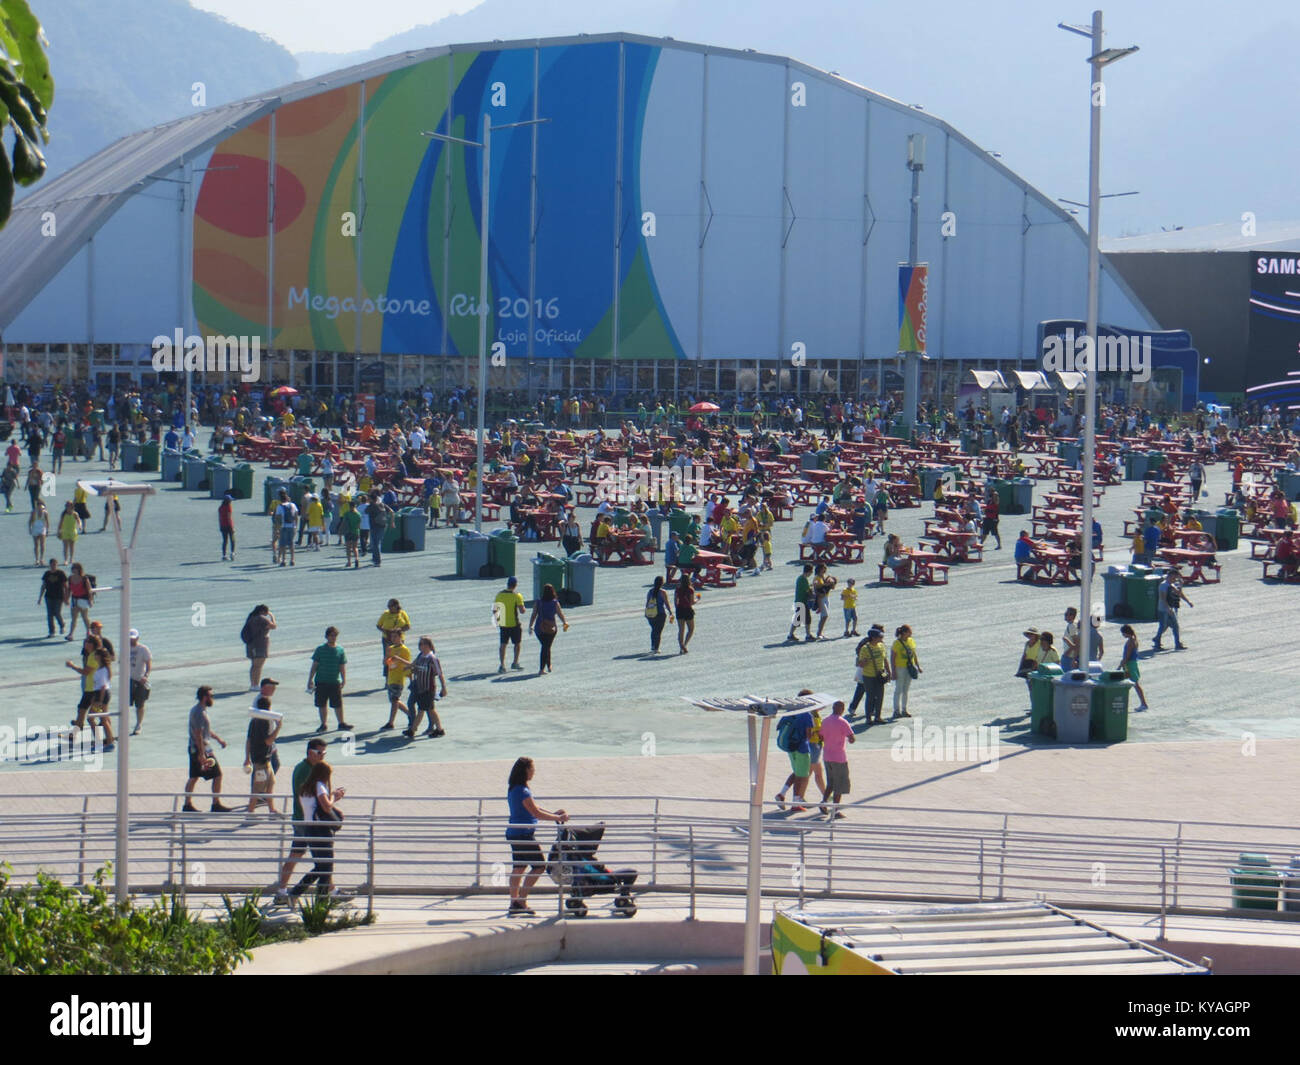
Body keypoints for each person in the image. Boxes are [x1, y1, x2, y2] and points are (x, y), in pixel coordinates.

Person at [506, 757, 567, 917]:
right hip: (523, 834)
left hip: (515, 832)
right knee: (539, 866)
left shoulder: (516, 788)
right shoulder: (522, 790)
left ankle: (514, 902)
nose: (534, 772)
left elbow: (535, 807)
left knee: (519, 868)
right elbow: (536, 813)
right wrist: (558, 819)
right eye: (532, 768)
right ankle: (521, 901)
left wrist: (553, 814)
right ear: (526, 770)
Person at [275, 738, 328, 901]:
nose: (322, 756)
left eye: (324, 753)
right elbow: (312, 798)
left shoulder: (304, 767)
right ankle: (286, 891)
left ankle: (282, 890)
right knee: (323, 859)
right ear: (310, 752)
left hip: (302, 820)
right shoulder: (306, 771)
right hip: (306, 821)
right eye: (319, 753)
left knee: (299, 855)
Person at [287, 757, 346, 900]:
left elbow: (313, 807)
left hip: (309, 829)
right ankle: (318, 899)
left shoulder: (305, 788)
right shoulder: (319, 786)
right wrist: (334, 796)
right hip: (320, 830)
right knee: (326, 867)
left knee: (321, 866)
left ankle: (297, 894)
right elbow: (326, 806)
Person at [183, 685, 231, 812]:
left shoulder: (198, 710)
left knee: (194, 776)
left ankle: (187, 804)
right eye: (211, 696)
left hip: (195, 748)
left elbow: (206, 731)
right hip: (202, 749)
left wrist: (218, 739)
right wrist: (202, 753)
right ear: (205, 697)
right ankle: (215, 803)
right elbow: (198, 733)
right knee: (218, 774)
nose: (213, 698)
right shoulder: (199, 712)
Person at [307, 625, 352, 732]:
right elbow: (314, 665)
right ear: (326, 637)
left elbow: (342, 666)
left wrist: (344, 679)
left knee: (338, 703)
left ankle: (341, 723)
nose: (333, 638)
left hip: (334, 681)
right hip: (321, 681)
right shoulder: (320, 649)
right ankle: (323, 724)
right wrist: (310, 680)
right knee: (322, 704)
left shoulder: (340, 650)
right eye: (331, 635)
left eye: (335, 636)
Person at [244, 692, 282, 816]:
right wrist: (278, 727)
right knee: (257, 787)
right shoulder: (265, 722)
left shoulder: (254, 720)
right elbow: (268, 741)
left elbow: (248, 740)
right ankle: (250, 812)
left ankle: (272, 810)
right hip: (262, 760)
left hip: (261, 759)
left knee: (271, 783)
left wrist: (247, 758)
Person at [774, 699, 815, 812]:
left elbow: (778, 726)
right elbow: (808, 734)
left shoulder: (790, 711)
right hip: (802, 748)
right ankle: (795, 803)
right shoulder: (807, 714)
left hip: (790, 747)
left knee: (797, 772)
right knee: (801, 776)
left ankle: (782, 794)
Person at [404, 636, 447, 738]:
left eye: (423, 644)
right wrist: (402, 664)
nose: (421, 646)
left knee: (422, 710)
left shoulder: (432, 659)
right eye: (420, 644)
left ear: (428, 645)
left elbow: (440, 674)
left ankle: (412, 730)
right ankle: (440, 729)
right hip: (420, 688)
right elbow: (413, 665)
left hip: (428, 688)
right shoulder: (420, 656)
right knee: (431, 710)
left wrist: (444, 687)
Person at [847, 625, 891, 724]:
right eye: (880, 637)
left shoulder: (882, 646)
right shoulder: (865, 648)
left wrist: (889, 671)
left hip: (880, 675)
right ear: (873, 638)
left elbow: (885, 659)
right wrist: (865, 661)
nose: (882, 638)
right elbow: (860, 664)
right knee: (870, 697)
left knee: (880, 696)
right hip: (868, 676)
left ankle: (878, 716)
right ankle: (868, 718)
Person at [819, 700, 855, 819]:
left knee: (831, 782)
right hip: (839, 757)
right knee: (839, 785)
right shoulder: (843, 722)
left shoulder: (825, 721)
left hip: (827, 756)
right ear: (842, 709)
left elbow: (821, 736)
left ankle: (824, 802)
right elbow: (851, 738)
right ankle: (835, 810)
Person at [527, 583, 569, 674]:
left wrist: (530, 625)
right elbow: (560, 614)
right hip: (551, 628)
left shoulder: (538, 602)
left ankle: (548, 665)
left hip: (539, 628)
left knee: (546, 646)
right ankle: (543, 668)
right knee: (546, 646)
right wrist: (564, 622)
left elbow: (534, 614)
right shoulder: (555, 602)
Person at [381, 629, 412, 730]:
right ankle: (410, 714)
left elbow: (409, 664)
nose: (393, 639)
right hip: (391, 677)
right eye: (392, 637)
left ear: (400, 637)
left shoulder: (404, 650)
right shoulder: (390, 648)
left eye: (395, 636)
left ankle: (391, 722)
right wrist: (387, 656)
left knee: (394, 700)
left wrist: (410, 678)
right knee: (394, 701)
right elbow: (385, 663)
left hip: (398, 678)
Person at [1152, 571, 1192, 651]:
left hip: (1170, 609)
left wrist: (1181, 586)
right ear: (1169, 576)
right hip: (1163, 610)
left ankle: (1177, 644)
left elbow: (1179, 594)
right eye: (1174, 578)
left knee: (1175, 626)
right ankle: (1157, 643)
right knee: (1163, 626)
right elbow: (1163, 598)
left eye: (1176, 578)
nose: (1175, 580)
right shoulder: (1163, 585)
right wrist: (1167, 608)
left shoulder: (1171, 585)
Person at [494, 576, 526, 673]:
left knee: (503, 644)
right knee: (517, 643)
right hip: (514, 624)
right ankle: (515, 662)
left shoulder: (499, 595)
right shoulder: (517, 595)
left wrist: (498, 621)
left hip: (503, 624)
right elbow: (522, 611)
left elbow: (495, 610)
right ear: (515, 585)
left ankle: (502, 665)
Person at [240, 604, 276, 689]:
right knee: (258, 665)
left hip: (251, 644)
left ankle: (253, 684)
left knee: (254, 665)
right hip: (260, 645)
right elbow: (273, 626)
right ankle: (255, 684)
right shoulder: (261, 618)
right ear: (263, 611)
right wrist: (272, 616)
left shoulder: (251, 618)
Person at [376, 598, 412, 680]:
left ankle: (400, 675)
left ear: (396, 606)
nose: (389, 608)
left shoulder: (402, 614)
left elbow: (408, 626)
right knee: (388, 657)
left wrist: (399, 630)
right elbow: (378, 625)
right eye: (388, 606)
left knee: (399, 657)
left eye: (391, 606)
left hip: (399, 639)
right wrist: (386, 631)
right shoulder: (386, 614)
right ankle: (387, 677)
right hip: (387, 639)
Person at [890, 624, 921, 720]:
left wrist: (918, 666)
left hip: (909, 667)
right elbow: (892, 658)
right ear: (904, 632)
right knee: (898, 689)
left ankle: (904, 710)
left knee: (905, 690)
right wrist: (893, 671)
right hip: (900, 668)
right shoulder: (897, 643)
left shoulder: (911, 641)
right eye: (909, 631)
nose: (911, 633)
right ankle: (896, 711)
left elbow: (914, 654)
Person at [127, 628, 152, 736]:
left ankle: (138, 724)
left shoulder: (143, 649)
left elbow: (148, 663)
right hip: (129, 680)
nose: (131, 640)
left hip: (139, 679)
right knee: (125, 703)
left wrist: (146, 675)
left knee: (140, 704)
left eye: (133, 638)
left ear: (137, 638)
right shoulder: (125, 649)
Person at [1120, 624, 1150, 711]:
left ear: (1126, 632)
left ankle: (1143, 704)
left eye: (1123, 633)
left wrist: (1120, 665)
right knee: (1128, 685)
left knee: (1134, 684)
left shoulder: (1130, 642)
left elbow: (1127, 656)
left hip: (1129, 665)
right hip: (1132, 664)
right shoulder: (1134, 640)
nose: (1123, 635)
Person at [64, 562, 93, 642]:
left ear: (79, 569)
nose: (73, 570)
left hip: (83, 599)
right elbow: (69, 589)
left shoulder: (84, 578)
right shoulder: (70, 578)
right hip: (75, 599)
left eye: (75, 568)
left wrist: (90, 600)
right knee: (74, 618)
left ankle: (88, 632)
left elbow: (89, 590)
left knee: (85, 617)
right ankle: (71, 634)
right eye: (72, 568)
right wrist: (67, 599)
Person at [38, 558, 67, 637]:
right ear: (50, 565)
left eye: (55, 564)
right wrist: (40, 597)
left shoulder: (61, 573)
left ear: (57, 565)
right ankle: (51, 631)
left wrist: (66, 597)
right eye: (52, 564)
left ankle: (62, 625)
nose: (53, 566)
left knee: (57, 612)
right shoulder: (47, 574)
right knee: (50, 614)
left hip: (59, 596)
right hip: (49, 596)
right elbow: (43, 586)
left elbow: (65, 586)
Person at [786, 563, 814, 642]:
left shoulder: (800, 578)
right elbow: (808, 592)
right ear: (809, 571)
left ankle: (792, 634)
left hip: (799, 601)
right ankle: (807, 635)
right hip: (802, 602)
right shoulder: (803, 579)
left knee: (799, 619)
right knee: (804, 619)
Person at [811, 563, 837, 640]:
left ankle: (820, 632)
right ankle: (819, 633)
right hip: (820, 598)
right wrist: (826, 584)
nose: (825, 570)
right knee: (825, 615)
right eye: (823, 568)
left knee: (823, 616)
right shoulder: (817, 578)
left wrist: (832, 583)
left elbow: (832, 587)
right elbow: (816, 586)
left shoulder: (826, 577)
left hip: (826, 597)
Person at [674, 575, 698, 654]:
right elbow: (691, 602)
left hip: (679, 610)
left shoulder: (677, 589)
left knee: (681, 630)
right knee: (691, 629)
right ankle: (685, 644)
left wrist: (677, 608)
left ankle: (681, 646)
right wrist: (697, 599)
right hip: (688, 610)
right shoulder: (690, 589)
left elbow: (675, 601)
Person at [367, 492, 392, 566]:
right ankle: (375, 559)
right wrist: (392, 522)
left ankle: (377, 561)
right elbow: (392, 512)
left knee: (375, 543)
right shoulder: (382, 504)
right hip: (383, 525)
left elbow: (366, 511)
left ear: (371, 499)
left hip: (374, 526)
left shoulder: (371, 506)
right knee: (378, 543)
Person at [340, 499, 361, 567]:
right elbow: (359, 526)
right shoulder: (358, 515)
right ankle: (357, 559)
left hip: (348, 532)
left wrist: (340, 530)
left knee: (348, 548)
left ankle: (349, 562)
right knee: (355, 547)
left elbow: (343, 523)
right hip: (355, 532)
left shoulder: (347, 514)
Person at [29, 497, 49, 565]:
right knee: (36, 545)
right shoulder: (33, 512)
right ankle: (36, 559)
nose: (39, 506)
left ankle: (41, 558)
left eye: (41, 504)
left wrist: (47, 530)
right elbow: (30, 521)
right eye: (38, 504)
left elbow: (47, 522)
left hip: (42, 529)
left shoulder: (45, 513)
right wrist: (30, 528)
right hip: (35, 528)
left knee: (42, 544)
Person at [218, 492, 236, 561]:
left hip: (222, 525)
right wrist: (232, 527)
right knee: (232, 540)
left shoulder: (220, 508)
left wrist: (220, 526)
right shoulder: (229, 507)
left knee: (225, 541)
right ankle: (232, 553)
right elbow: (229, 517)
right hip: (228, 525)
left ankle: (224, 555)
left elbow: (219, 518)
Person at [1062, 607, 1080, 672]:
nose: (1065, 615)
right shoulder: (1074, 624)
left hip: (1070, 657)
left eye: (1067, 614)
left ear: (1072, 616)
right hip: (1071, 656)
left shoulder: (1071, 626)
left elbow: (1077, 644)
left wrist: (1073, 659)